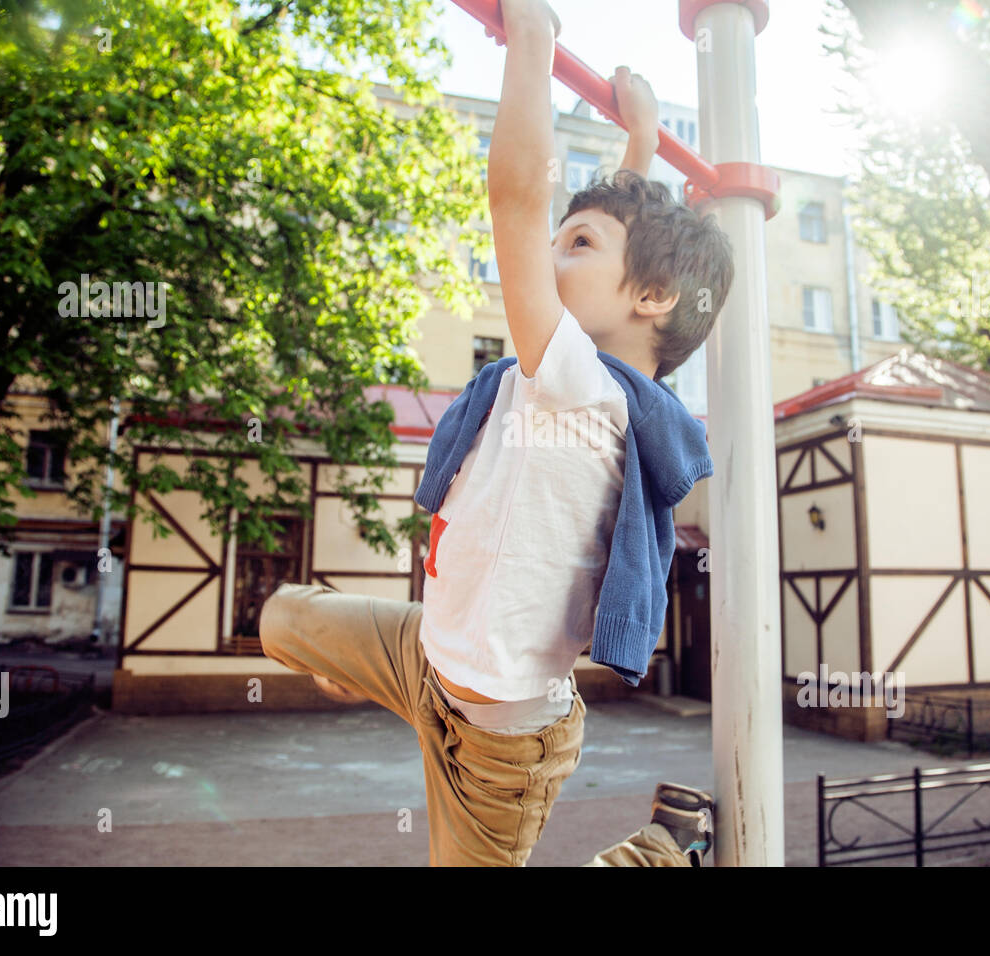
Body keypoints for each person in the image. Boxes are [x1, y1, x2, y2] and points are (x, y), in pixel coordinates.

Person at [259, 0, 735, 866]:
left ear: (653, 300)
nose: (549, 258)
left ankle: (663, 851)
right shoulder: (570, 369)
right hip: (425, 655)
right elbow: (627, 239)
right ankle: (350, 664)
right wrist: (640, 138)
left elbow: (517, 200)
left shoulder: (583, 389)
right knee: (282, 617)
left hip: (499, 741)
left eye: (575, 244)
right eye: (554, 242)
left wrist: (530, 41)